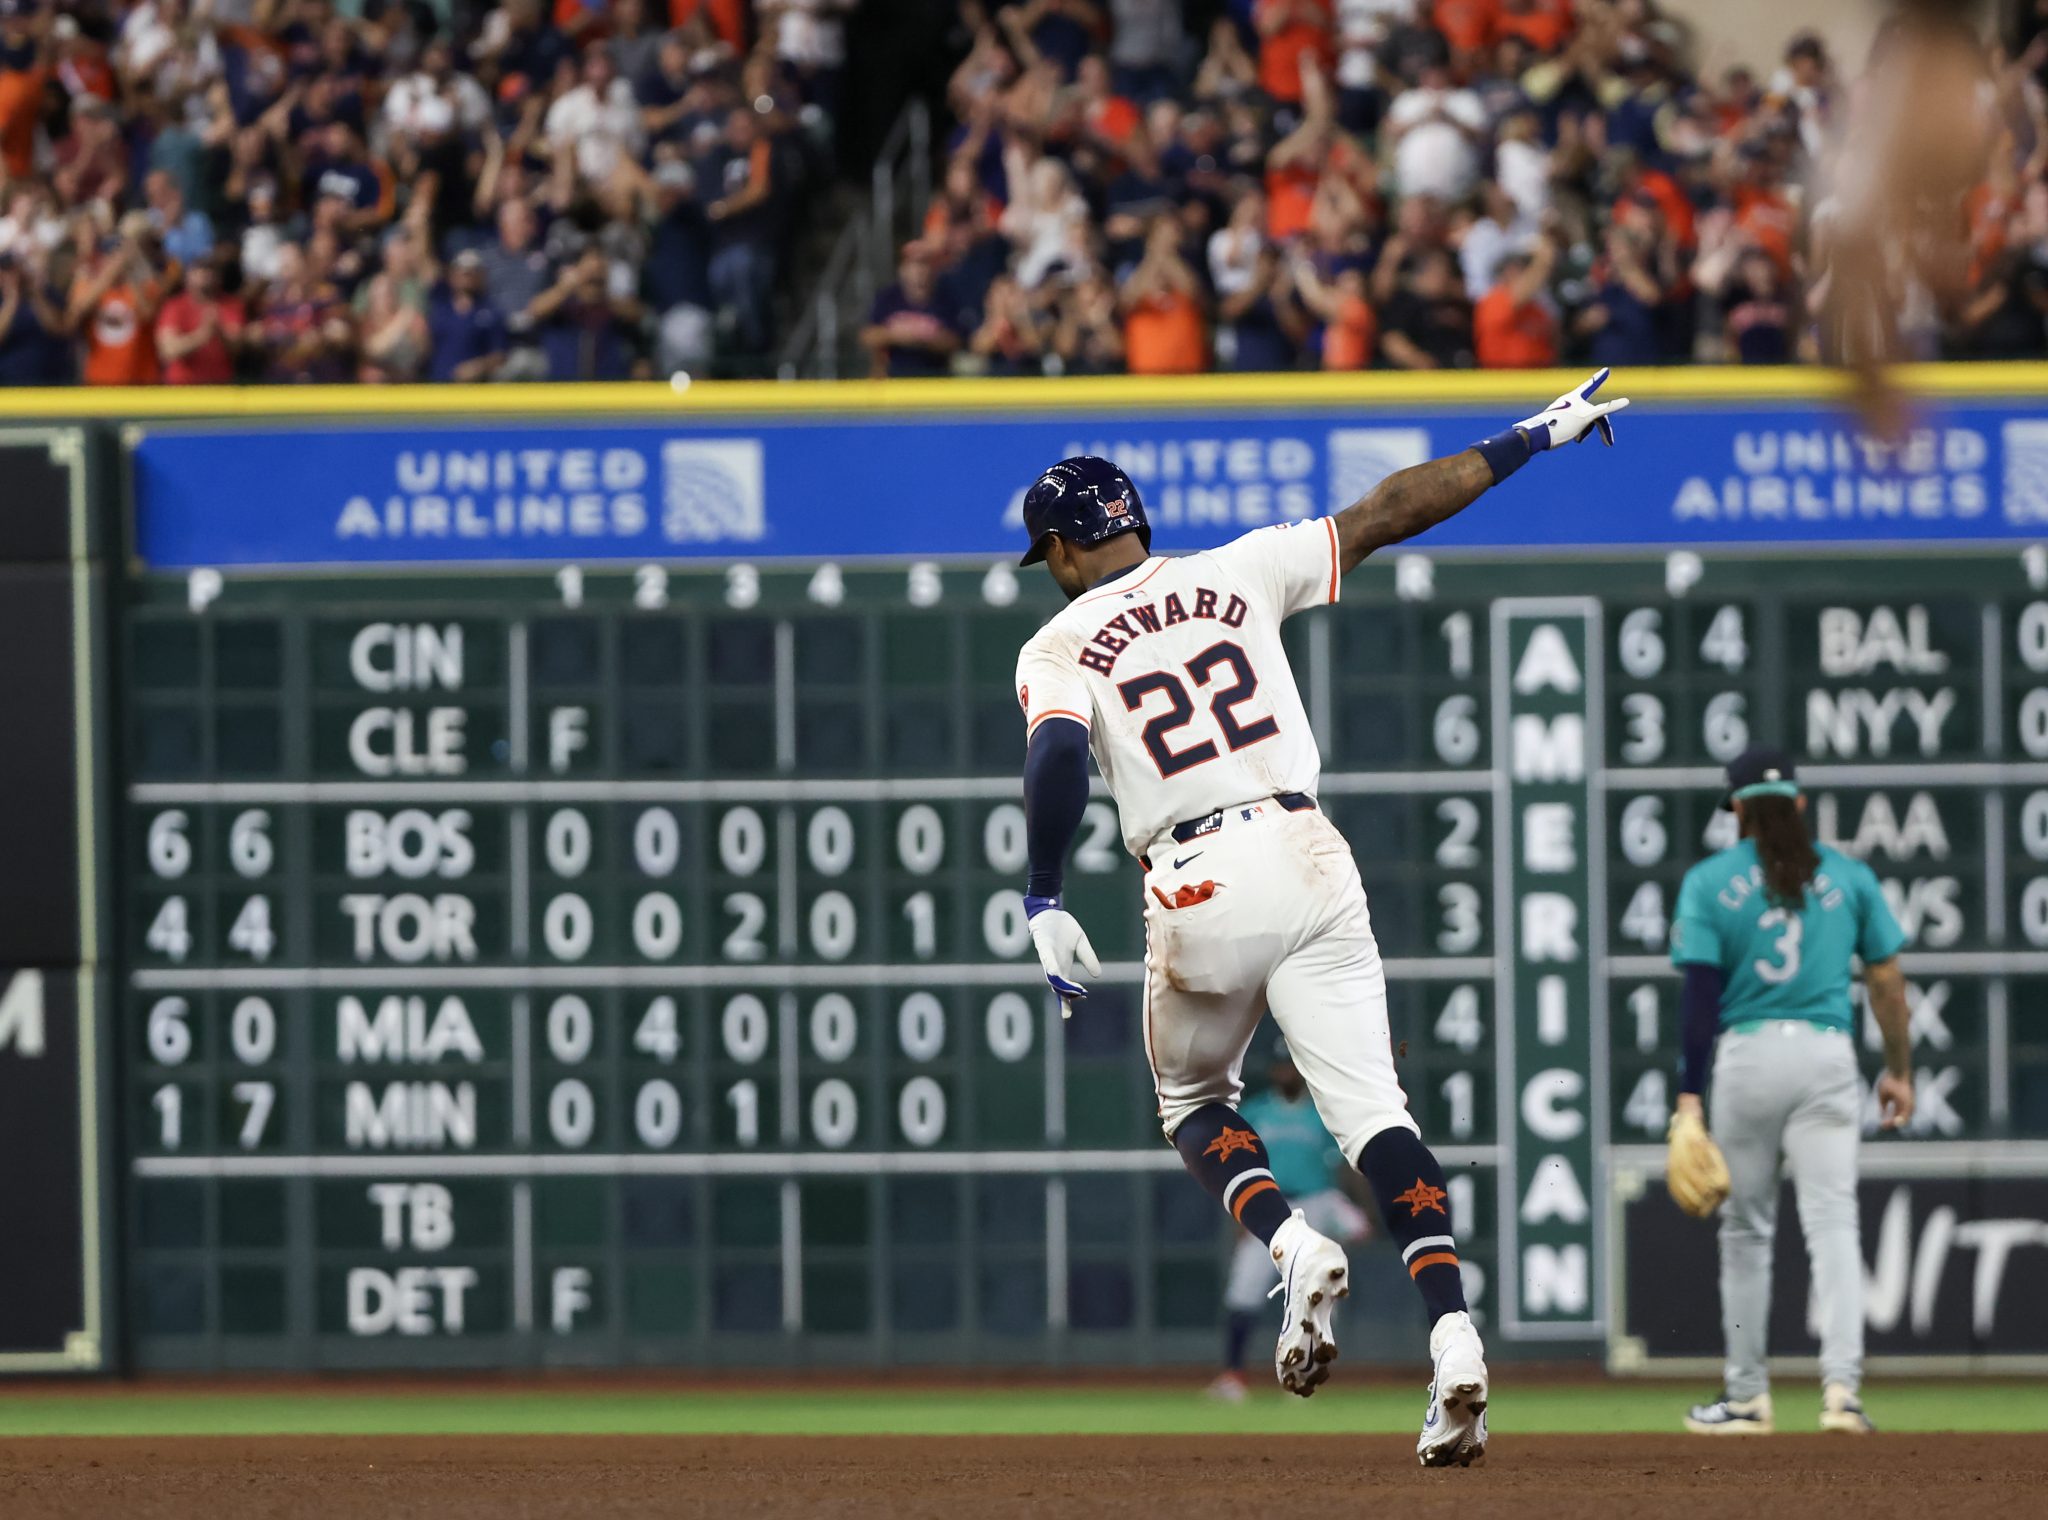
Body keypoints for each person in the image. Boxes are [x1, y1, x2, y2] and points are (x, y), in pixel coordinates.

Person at [1012, 370, 1629, 1467]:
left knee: (1194, 1100)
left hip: (1195, 870)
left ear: (1061, 554)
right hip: (1307, 851)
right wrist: (1531, 435)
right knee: (1377, 1119)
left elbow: (1059, 751)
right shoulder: (1238, 568)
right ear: (1140, 523)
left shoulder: (1058, 642)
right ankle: (1452, 1339)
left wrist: (1043, 890)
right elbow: (1392, 508)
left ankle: (1292, 1244)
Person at [1669, 746, 1916, 1438]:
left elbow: (1699, 1000)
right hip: (1828, 1055)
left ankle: (1747, 1397)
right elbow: (1888, 984)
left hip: (1748, 1055)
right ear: (1802, 804)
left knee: (1747, 1231)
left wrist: (1690, 1097)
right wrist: (1899, 1068)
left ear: (1738, 808)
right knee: (1833, 1224)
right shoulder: (1849, 877)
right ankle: (1843, 1395)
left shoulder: (1711, 880)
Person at [1208, 1040, 1370, 1403]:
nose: (1286, 1072)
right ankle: (1233, 1376)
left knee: (1313, 1296)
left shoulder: (1321, 1113)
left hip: (1315, 1204)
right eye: (1280, 1066)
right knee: (1243, 1291)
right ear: (1272, 1071)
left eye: (1291, 1066)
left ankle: (1304, 1378)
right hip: (1268, 1207)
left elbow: (1344, 1169)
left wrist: (1359, 1210)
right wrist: (1239, 1212)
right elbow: (1234, 1168)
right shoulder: (1256, 1112)